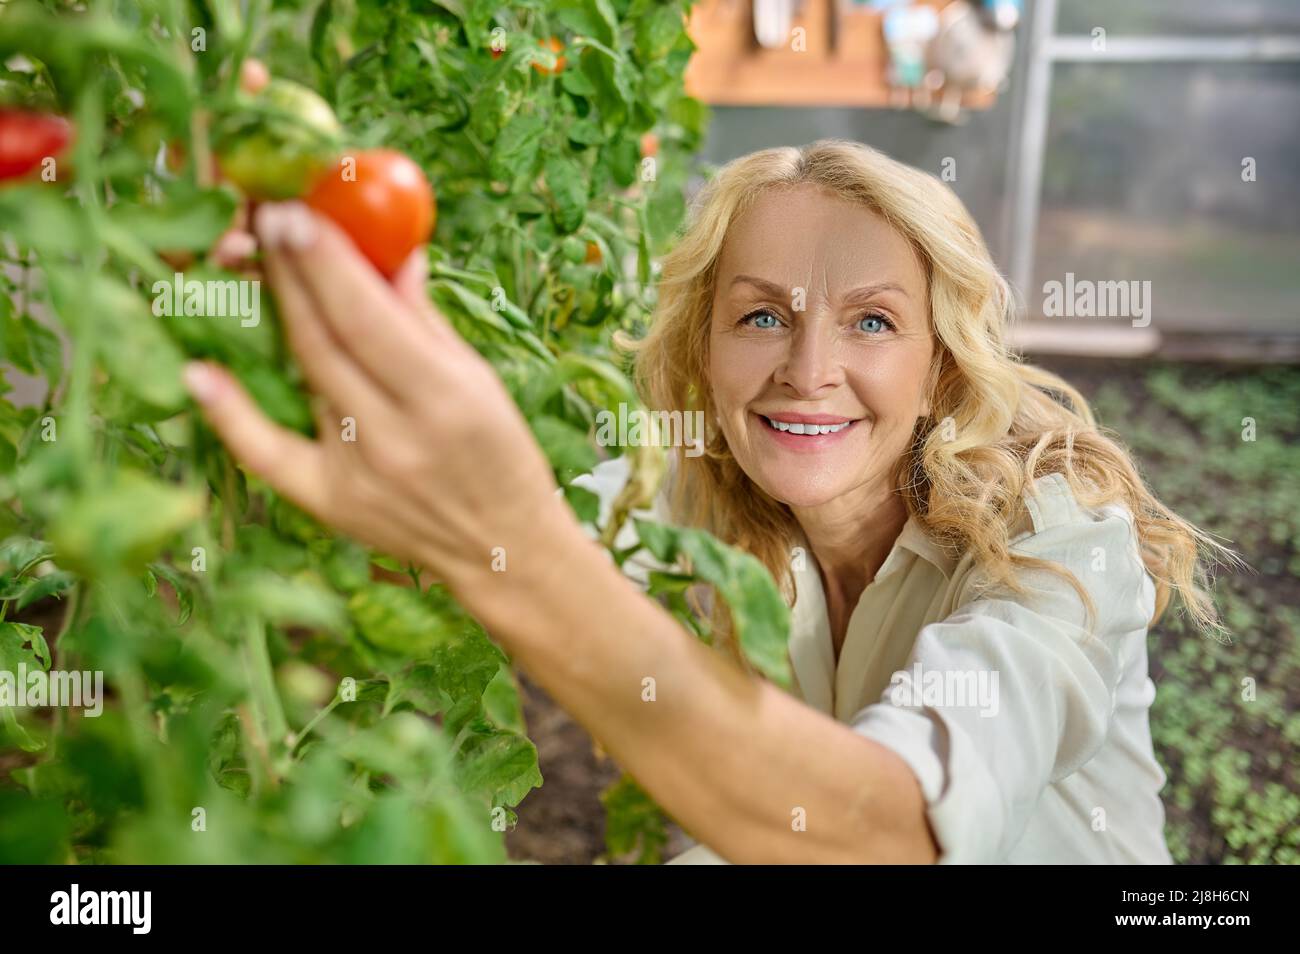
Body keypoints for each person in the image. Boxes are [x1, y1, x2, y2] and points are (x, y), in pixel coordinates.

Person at [185, 139, 1229, 863]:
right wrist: (278, 314)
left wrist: (517, 548)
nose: (808, 370)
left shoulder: (1054, 538)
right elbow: (425, 539)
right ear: (702, 348)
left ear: (943, 367)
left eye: (870, 323)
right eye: (762, 316)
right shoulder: (688, 492)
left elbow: (889, 835)